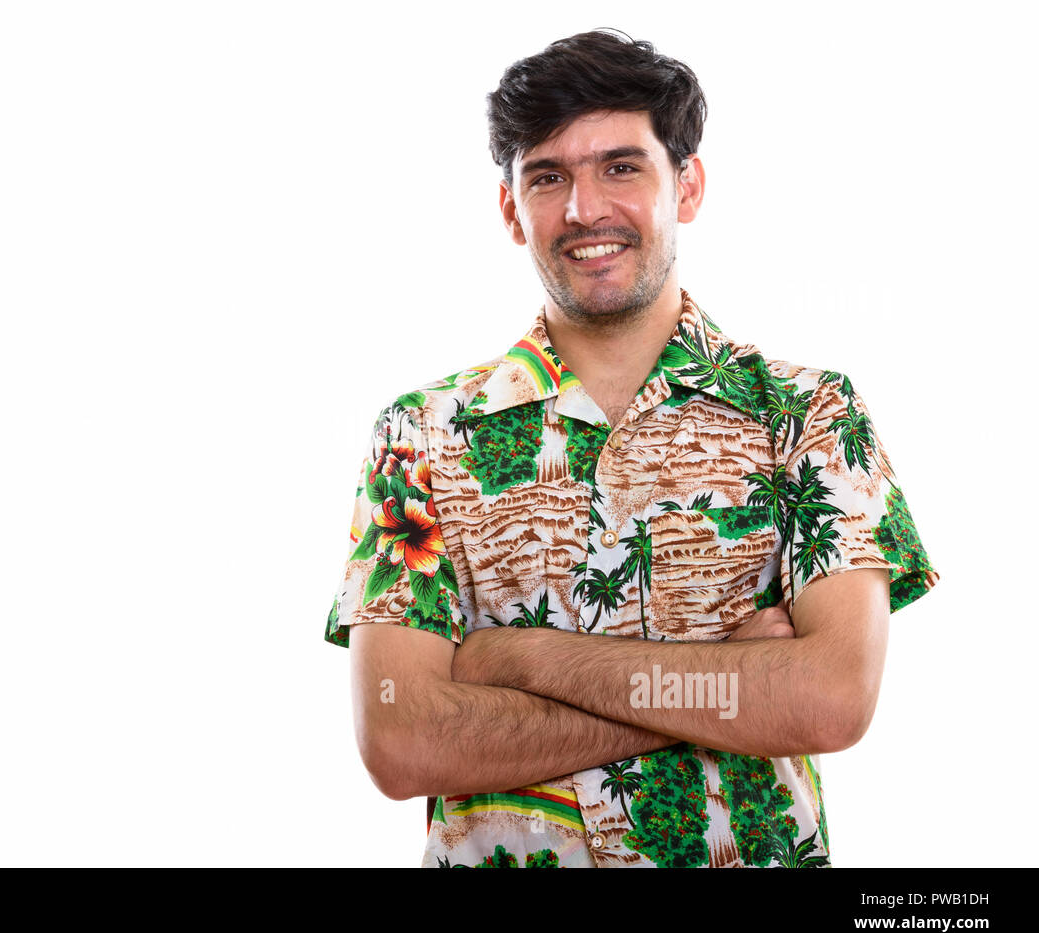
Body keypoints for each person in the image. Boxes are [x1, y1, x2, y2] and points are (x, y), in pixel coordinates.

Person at [321, 28, 938, 868]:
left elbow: (830, 701)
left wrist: (520, 658)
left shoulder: (810, 414)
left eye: (621, 166)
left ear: (687, 186)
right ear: (511, 210)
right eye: (548, 176)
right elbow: (399, 737)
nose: (583, 209)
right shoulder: (419, 435)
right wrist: (729, 687)